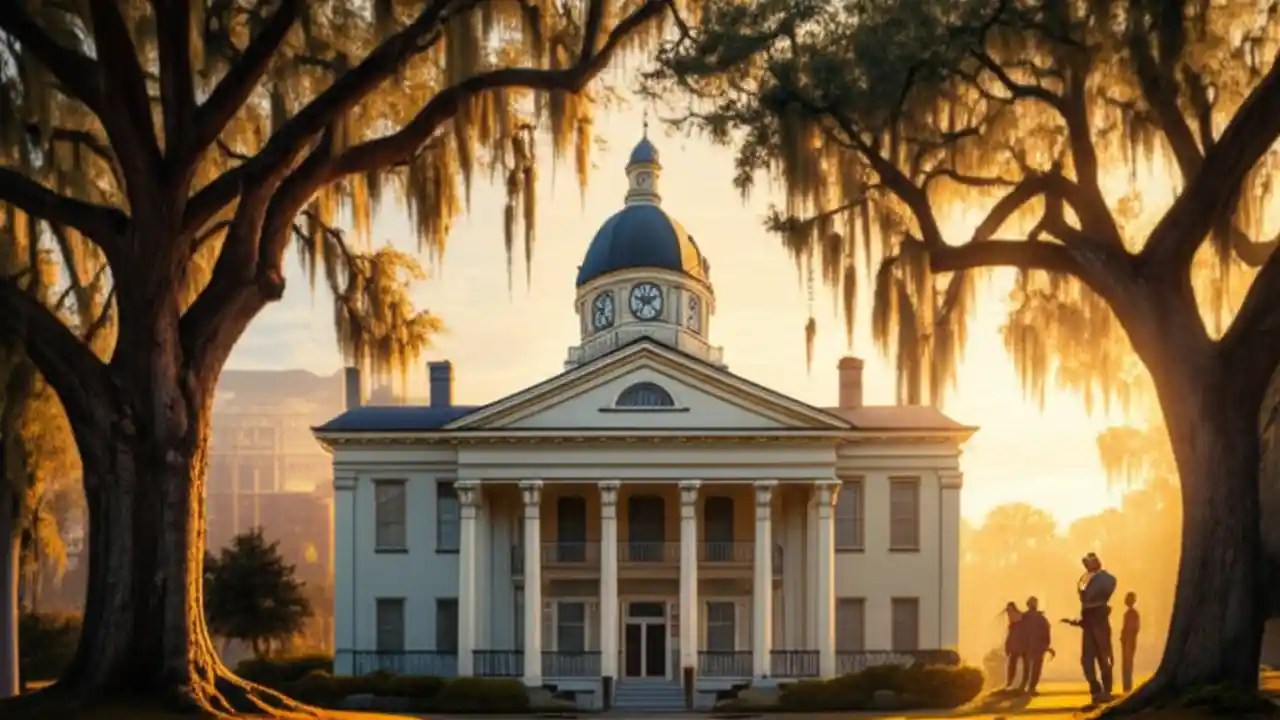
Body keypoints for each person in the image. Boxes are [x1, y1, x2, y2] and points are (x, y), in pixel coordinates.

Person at [1061, 552, 1117, 705]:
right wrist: (1076, 621)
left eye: (1089, 562)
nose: (1086, 565)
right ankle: (1095, 689)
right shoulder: (1084, 579)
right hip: (1089, 623)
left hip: (1100, 623)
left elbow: (1106, 588)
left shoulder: (1106, 579)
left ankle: (1107, 690)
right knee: (1087, 660)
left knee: (1104, 658)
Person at [1020, 596, 1054, 694]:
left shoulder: (1027, 617)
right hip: (1031, 647)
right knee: (1030, 669)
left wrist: (1046, 645)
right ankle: (1027, 688)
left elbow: (1046, 632)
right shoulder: (1033, 618)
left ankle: (1028, 688)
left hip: (1036, 647)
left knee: (1032, 669)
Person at [1003, 601, 1027, 691]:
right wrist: (1008, 646)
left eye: (1010, 610)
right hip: (1015, 646)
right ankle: (1010, 682)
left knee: (1024, 665)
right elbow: (1010, 635)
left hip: (1022, 645)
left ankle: (1021, 684)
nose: (1009, 613)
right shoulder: (1013, 622)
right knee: (1012, 664)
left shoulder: (1021, 620)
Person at [1120, 591, 1140, 693]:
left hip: (1129, 642)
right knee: (1126, 664)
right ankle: (1126, 685)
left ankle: (1127, 686)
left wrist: (1128, 638)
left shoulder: (1132, 614)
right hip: (1126, 642)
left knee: (1128, 664)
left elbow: (1133, 629)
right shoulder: (1128, 614)